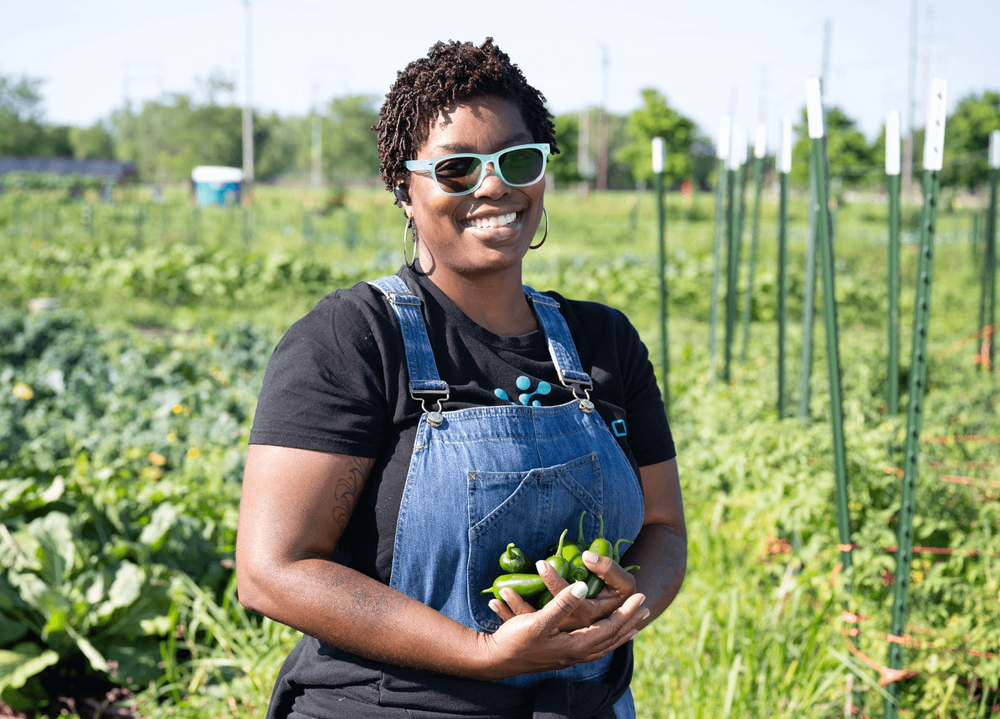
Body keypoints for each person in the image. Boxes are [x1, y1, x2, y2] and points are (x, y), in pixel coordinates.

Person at [236, 38, 686, 719]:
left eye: (518, 159)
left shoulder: (603, 341)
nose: (495, 185)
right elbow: (272, 571)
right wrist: (483, 651)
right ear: (405, 192)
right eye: (457, 168)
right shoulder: (354, 338)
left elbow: (664, 527)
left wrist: (622, 607)